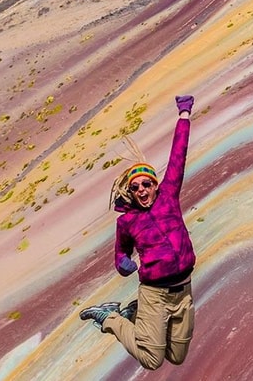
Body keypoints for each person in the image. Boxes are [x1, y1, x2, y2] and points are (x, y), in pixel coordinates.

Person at [80, 94, 197, 370]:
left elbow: (178, 156)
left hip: (183, 292)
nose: (142, 190)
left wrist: (184, 115)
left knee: (177, 357)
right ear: (130, 192)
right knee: (152, 359)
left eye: (147, 184)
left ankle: (135, 314)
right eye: (136, 187)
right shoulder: (128, 222)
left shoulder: (168, 196)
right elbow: (120, 254)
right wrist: (125, 264)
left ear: (156, 185)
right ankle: (110, 318)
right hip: (155, 294)